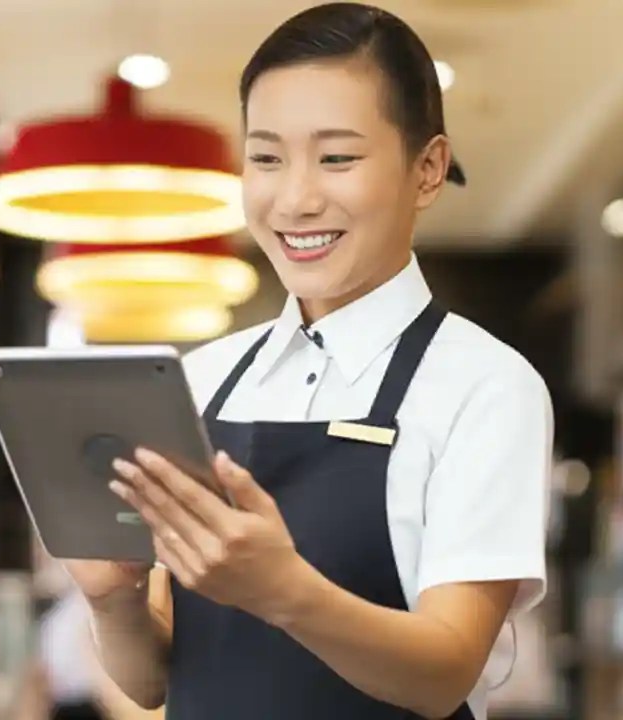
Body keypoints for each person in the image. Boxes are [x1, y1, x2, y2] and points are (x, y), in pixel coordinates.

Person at [61, 3, 553, 719]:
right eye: (265, 158)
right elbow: (155, 681)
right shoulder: (196, 380)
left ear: (427, 170)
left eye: (337, 157)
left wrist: (285, 590)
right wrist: (115, 599)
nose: (295, 198)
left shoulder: (485, 386)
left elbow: (445, 670)